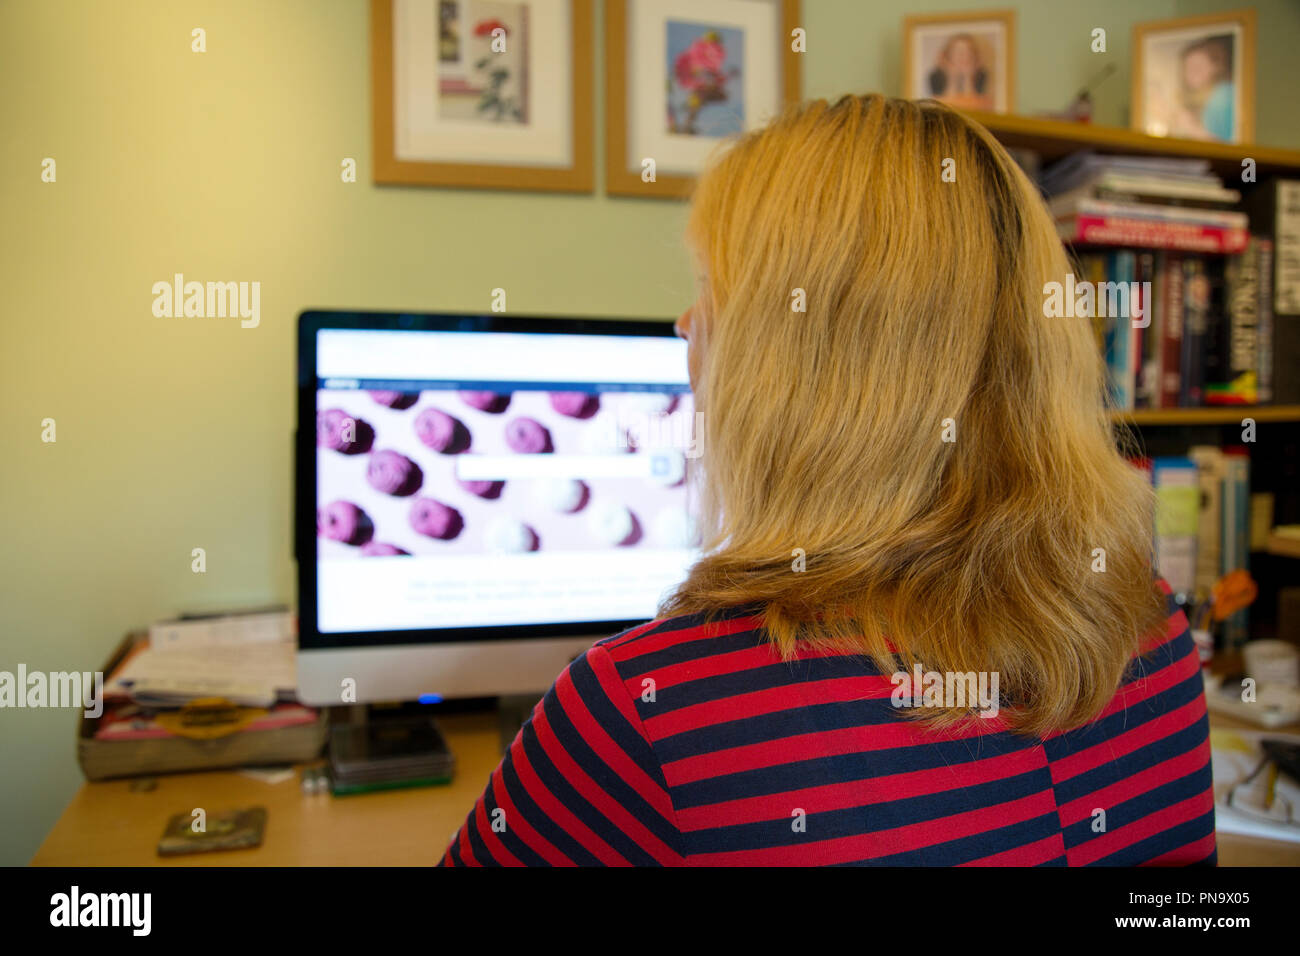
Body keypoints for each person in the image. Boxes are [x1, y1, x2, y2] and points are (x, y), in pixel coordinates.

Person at [440, 94, 1216, 866]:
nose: (686, 324)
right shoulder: (1152, 626)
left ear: (790, 362)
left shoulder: (651, 715)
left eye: (714, 286)